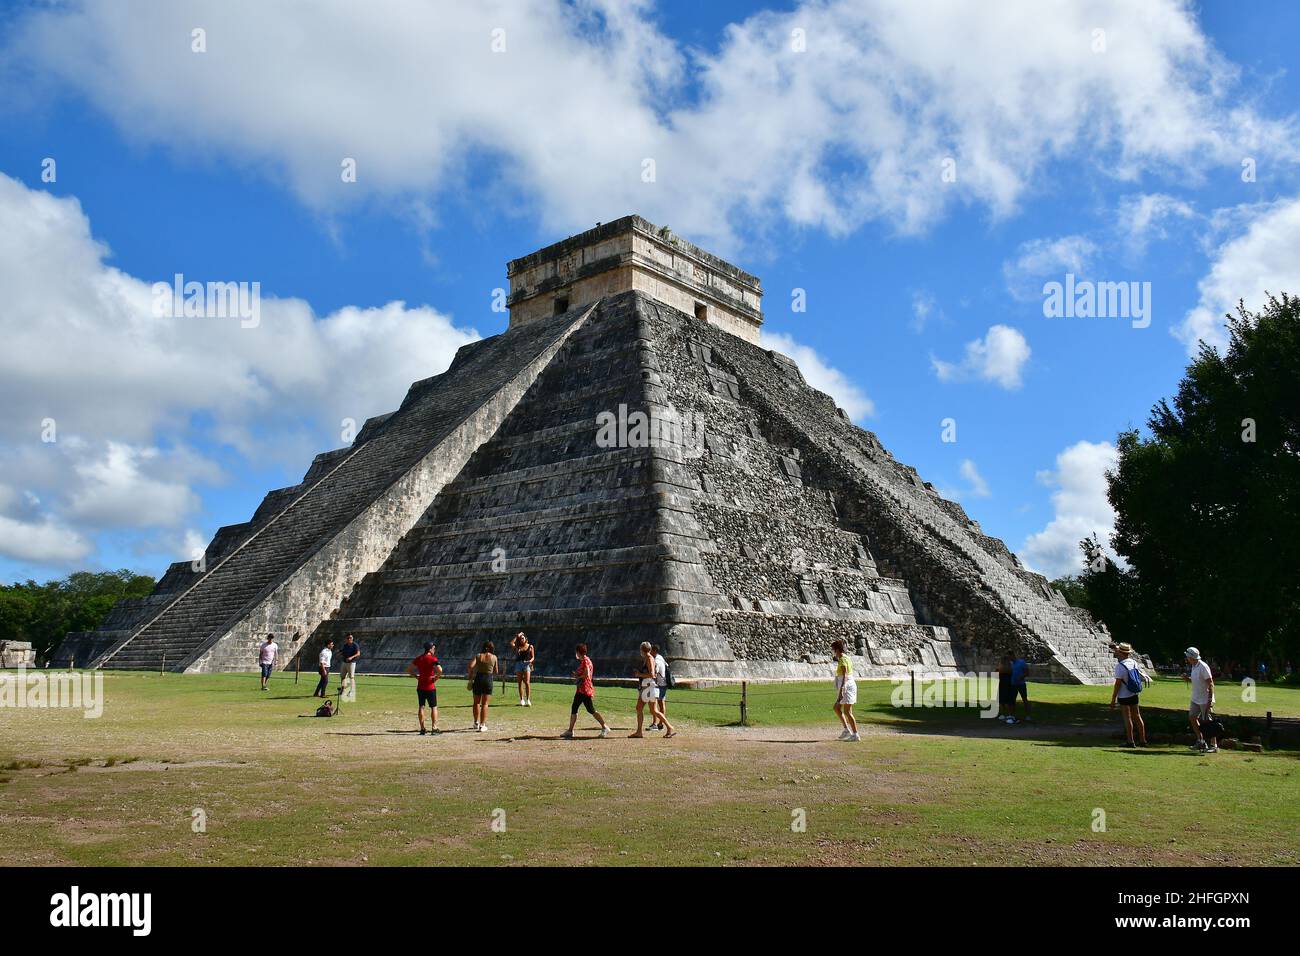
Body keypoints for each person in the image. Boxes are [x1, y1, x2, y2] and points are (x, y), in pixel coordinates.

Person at [561, 643, 610, 739]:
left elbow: (587, 674)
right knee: (576, 708)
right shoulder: (585, 660)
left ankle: (605, 727)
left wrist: (578, 676)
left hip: (584, 689)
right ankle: (570, 731)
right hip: (582, 689)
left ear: (579, 652)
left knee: (590, 709)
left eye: (576, 652)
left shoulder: (585, 661)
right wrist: (577, 675)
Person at [631, 642, 675, 738]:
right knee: (643, 709)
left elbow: (652, 674)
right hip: (647, 687)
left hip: (649, 687)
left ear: (642, 650)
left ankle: (669, 727)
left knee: (652, 710)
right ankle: (639, 731)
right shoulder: (648, 658)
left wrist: (639, 674)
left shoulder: (650, 658)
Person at [1110, 642, 1149, 747]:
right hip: (1134, 692)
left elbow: (1118, 684)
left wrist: (1113, 698)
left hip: (1124, 694)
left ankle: (1130, 741)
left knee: (1127, 718)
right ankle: (1143, 740)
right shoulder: (1134, 662)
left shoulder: (1120, 666)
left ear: (1121, 652)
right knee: (1137, 716)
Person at [1183, 647, 1218, 753]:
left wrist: (1209, 700)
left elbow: (1210, 683)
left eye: (1187, 656)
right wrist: (1188, 679)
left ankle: (1214, 745)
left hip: (1204, 699)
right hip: (1195, 698)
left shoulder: (1203, 666)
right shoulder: (1194, 666)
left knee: (1208, 722)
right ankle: (1201, 740)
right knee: (1192, 717)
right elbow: (1197, 679)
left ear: (1191, 657)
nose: (1186, 658)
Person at [407, 642, 443, 735]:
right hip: (430, 685)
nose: (434, 650)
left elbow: (409, 669)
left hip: (420, 685)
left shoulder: (419, 658)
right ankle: (434, 728)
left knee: (421, 706)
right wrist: (436, 677)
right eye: (434, 648)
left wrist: (416, 676)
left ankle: (422, 728)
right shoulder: (433, 658)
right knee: (433, 707)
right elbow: (440, 670)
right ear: (430, 649)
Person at [832, 639, 860, 741]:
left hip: (846, 686)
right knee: (836, 708)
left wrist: (842, 690)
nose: (833, 651)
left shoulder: (843, 659)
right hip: (846, 685)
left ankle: (855, 734)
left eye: (834, 649)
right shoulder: (844, 658)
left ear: (837, 650)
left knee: (847, 711)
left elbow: (845, 675)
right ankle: (847, 730)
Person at [469, 641, 499, 732]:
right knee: (485, 703)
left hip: (478, 678)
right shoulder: (494, 657)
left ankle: (476, 722)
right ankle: (482, 725)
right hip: (488, 679)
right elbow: (496, 671)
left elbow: (470, 666)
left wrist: (470, 677)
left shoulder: (478, 656)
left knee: (476, 702)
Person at [648, 643, 669, 731]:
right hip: (664, 683)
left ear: (654, 651)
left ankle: (655, 723)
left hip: (658, 685)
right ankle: (661, 723)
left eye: (651, 650)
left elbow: (654, 674)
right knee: (662, 704)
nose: (650, 652)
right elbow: (667, 665)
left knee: (654, 705)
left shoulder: (655, 660)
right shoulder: (661, 657)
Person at [512, 632, 535, 707]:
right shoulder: (518, 647)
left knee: (527, 682)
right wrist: (517, 636)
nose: (521, 640)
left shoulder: (530, 646)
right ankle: (522, 699)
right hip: (518, 664)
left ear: (525, 638)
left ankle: (528, 699)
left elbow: (533, 657)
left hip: (527, 664)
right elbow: (511, 643)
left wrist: (530, 661)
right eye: (520, 639)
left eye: (522, 638)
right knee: (519, 682)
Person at [996, 654, 1017, 724]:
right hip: (1008, 684)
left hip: (1004, 684)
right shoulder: (1011, 666)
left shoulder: (1002, 667)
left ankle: (1005, 715)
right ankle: (1010, 715)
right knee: (1009, 701)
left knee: (1004, 700)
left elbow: (998, 673)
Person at [1009, 654, 1031, 721]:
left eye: (1009, 657)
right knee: (1012, 700)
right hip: (1013, 684)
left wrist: (1021, 677)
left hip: (1021, 684)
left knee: (1024, 699)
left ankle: (1028, 715)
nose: (1009, 659)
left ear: (1012, 656)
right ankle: (1012, 715)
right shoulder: (1010, 664)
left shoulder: (1021, 662)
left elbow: (1027, 673)